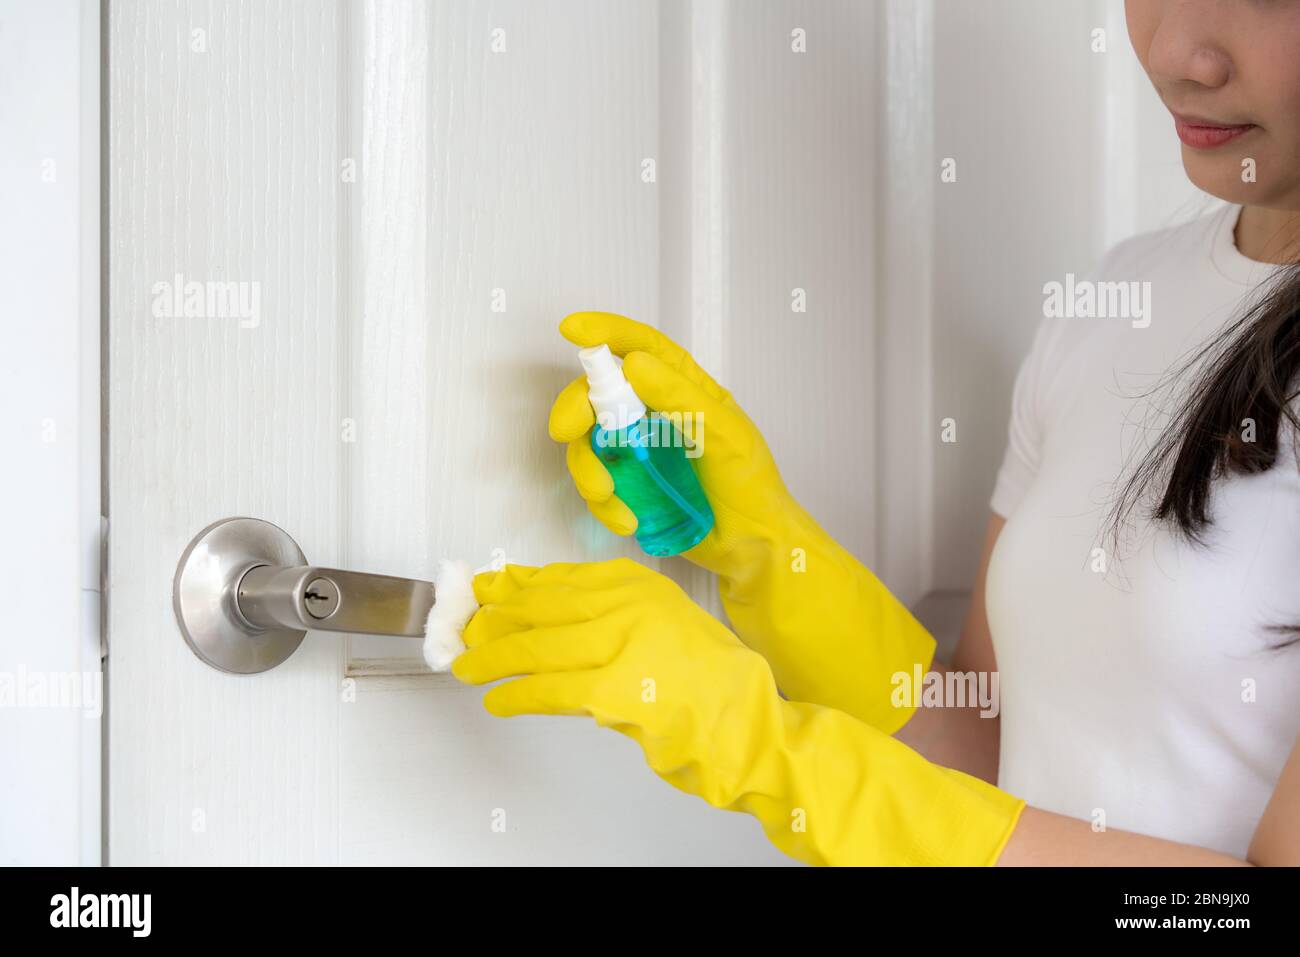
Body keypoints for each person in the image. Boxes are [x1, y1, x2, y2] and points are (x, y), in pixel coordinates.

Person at [451, 0, 1300, 865]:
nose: (1175, 53)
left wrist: (770, 753)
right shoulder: (1114, 302)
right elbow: (987, 755)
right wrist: (770, 553)